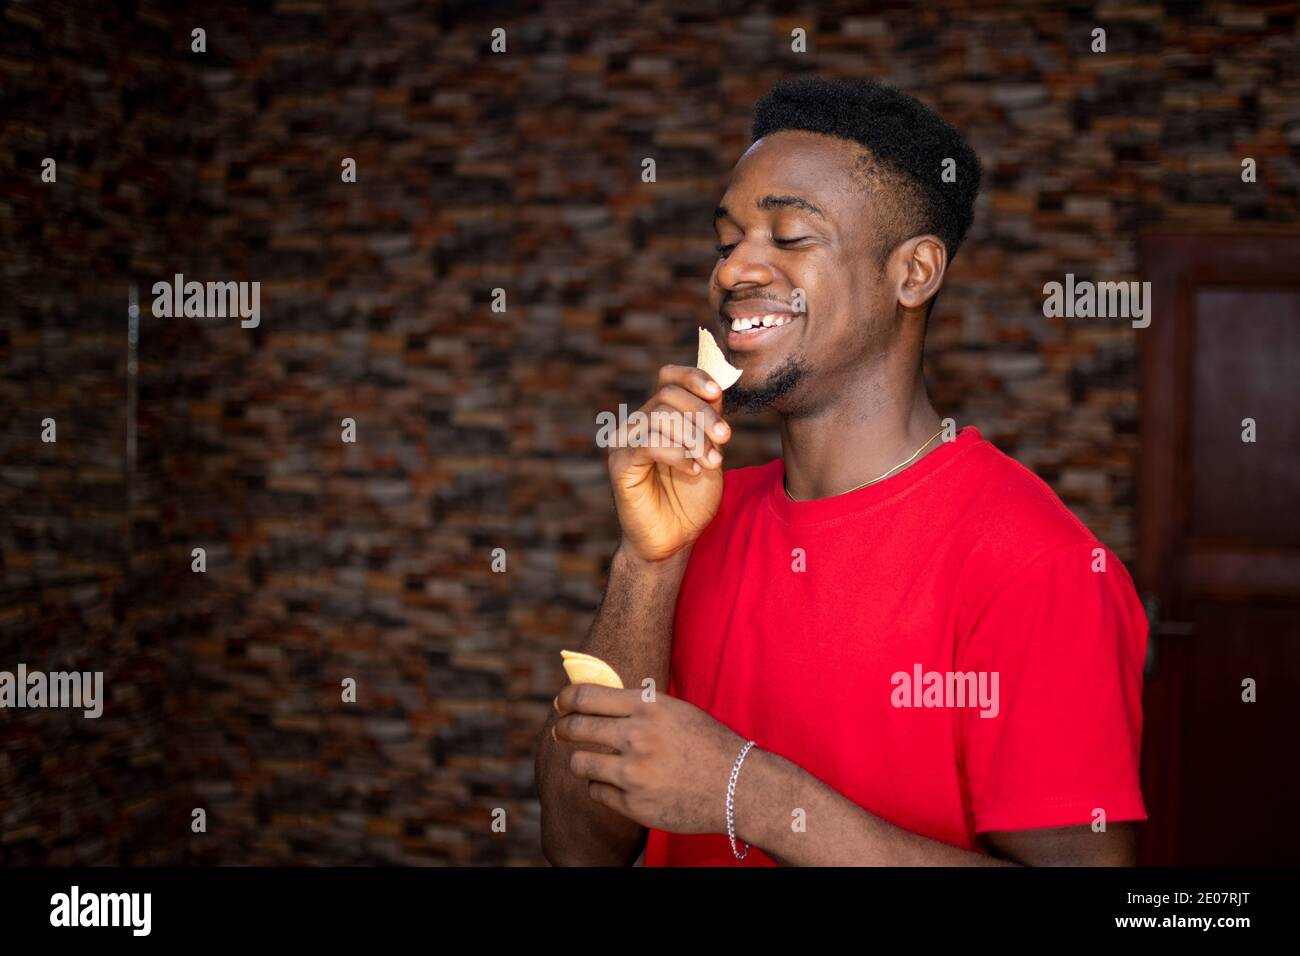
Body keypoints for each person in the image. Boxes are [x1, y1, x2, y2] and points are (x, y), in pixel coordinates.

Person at [535, 76, 1148, 866]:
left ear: (914, 273)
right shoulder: (700, 517)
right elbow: (577, 849)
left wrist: (747, 792)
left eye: (789, 236)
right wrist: (647, 563)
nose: (731, 273)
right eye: (727, 242)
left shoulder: (1039, 567)